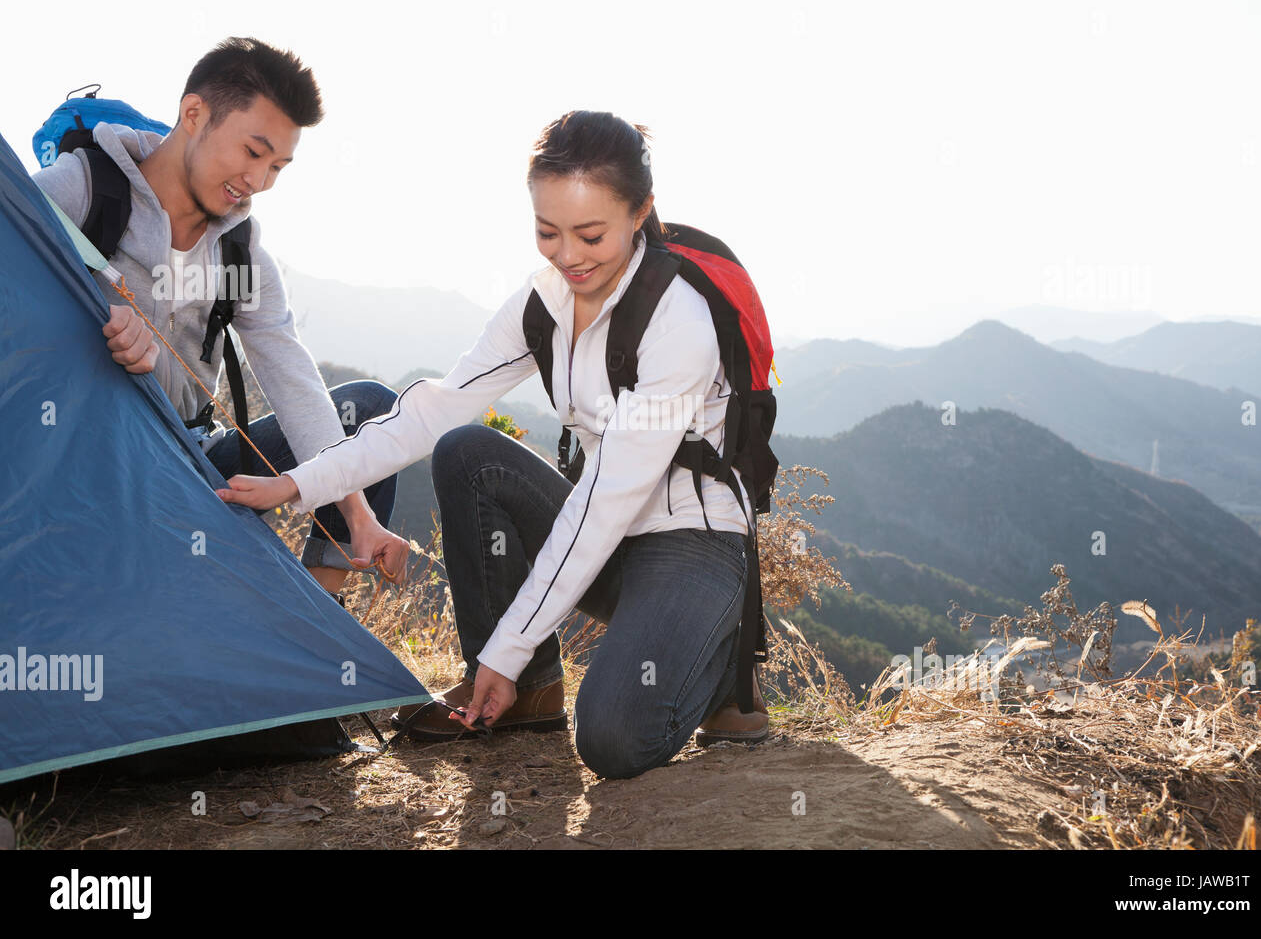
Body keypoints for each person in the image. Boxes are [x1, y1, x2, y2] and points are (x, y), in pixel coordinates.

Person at [217, 110, 768, 779]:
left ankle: (720, 663)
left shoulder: (679, 316)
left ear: (640, 211)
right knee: (466, 451)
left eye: (590, 235)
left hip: (691, 541)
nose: (568, 256)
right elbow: (432, 411)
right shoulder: (544, 302)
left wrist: (504, 647)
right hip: (614, 547)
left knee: (613, 739)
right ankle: (528, 691)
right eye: (548, 232)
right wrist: (300, 483)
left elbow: (603, 503)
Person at [33, 38, 401, 599]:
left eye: (278, 165)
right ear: (194, 114)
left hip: (190, 464)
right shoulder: (81, 189)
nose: (260, 181)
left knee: (370, 410)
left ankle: (320, 623)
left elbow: (291, 377)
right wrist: (89, 310)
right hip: (80, 459)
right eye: (253, 152)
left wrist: (354, 511)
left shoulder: (240, 253)